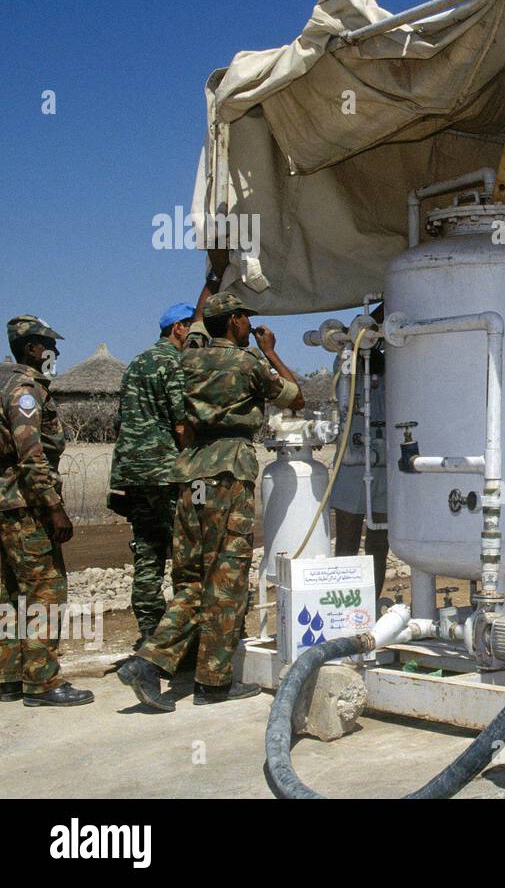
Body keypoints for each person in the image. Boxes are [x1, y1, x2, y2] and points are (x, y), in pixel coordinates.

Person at [117, 291, 304, 710]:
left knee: (192, 579)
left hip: (191, 478)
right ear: (235, 321)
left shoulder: (185, 361)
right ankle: (212, 683)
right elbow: (295, 397)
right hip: (228, 475)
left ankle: (149, 663)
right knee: (226, 579)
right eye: (243, 318)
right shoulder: (247, 362)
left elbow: (180, 421)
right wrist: (270, 352)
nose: (247, 324)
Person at [0, 315, 94, 706]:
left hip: (6, 503)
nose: (53, 353)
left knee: (8, 591)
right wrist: (54, 508)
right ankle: (42, 682)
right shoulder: (25, 389)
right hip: (26, 505)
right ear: (32, 348)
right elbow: (32, 455)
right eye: (47, 345)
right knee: (45, 591)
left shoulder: (5, 381)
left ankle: (8, 676)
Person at [110, 302, 194, 649]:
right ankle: (180, 636)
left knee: (147, 551)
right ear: (178, 328)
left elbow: (122, 419)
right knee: (185, 552)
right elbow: (180, 420)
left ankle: (149, 628)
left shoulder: (136, 364)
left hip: (132, 470)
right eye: (190, 328)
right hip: (164, 470)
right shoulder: (173, 362)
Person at [332, 308, 388, 596]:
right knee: (347, 538)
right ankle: (342, 602)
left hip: (385, 461)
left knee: (379, 538)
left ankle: (371, 602)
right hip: (352, 459)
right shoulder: (345, 364)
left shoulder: (393, 363)